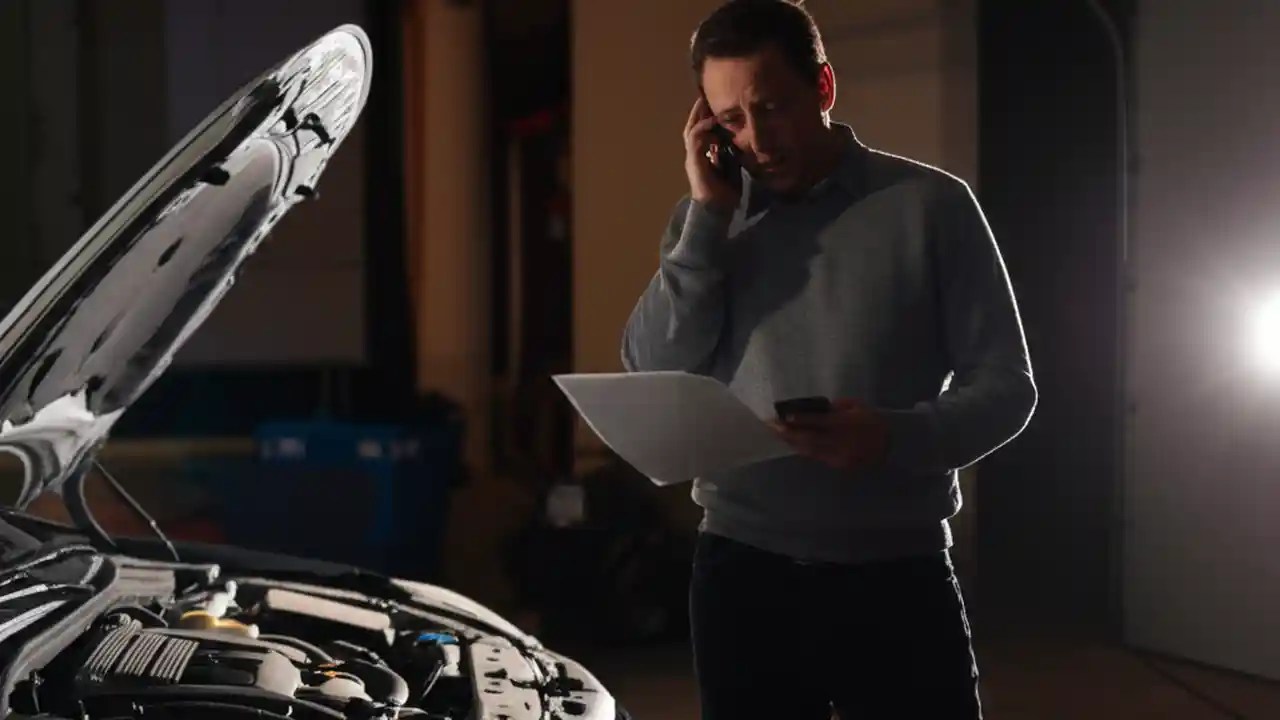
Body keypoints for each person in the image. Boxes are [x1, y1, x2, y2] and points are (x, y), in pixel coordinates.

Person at [619, 1, 1037, 717]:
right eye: (730, 123)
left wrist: (894, 437)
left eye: (771, 109)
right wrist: (708, 219)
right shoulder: (709, 218)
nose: (756, 141)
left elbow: (1007, 387)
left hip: (897, 568)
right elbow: (650, 362)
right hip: (743, 570)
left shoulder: (931, 205)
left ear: (824, 87)